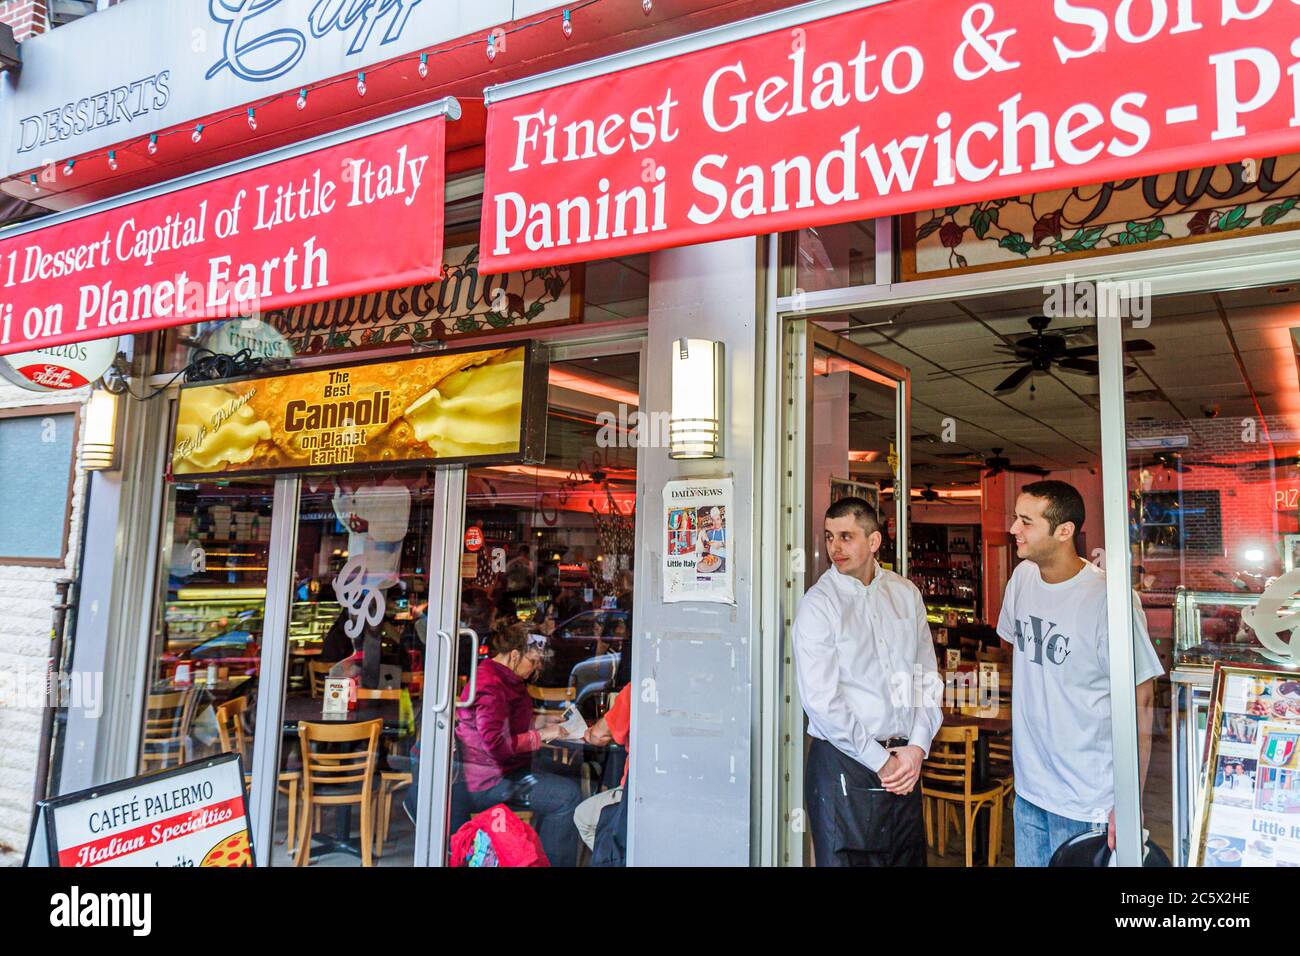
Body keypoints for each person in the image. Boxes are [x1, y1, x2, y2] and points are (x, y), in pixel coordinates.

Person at [997, 480, 1163, 867]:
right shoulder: (1021, 579)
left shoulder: (1109, 600)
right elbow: (1017, 653)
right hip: (1030, 790)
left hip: (1087, 799)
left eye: (1026, 521)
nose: (1013, 529)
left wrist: (1128, 799)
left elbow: (1142, 699)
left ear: (1063, 531)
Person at [792, 496, 942, 867]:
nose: (834, 548)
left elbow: (926, 677)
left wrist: (918, 747)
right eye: (829, 537)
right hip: (845, 763)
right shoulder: (818, 605)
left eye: (846, 537)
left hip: (906, 763)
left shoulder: (905, 594)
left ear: (874, 542)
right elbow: (823, 701)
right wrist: (882, 762)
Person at [455, 622, 583, 866]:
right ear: (514, 655)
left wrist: (539, 721)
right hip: (488, 781)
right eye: (533, 661)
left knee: (568, 776)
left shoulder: (501, 677)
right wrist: (542, 734)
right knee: (568, 796)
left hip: (502, 771)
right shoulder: (491, 685)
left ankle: (537, 853)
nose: (536, 669)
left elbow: (507, 723)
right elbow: (496, 744)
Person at [573, 683, 631, 851]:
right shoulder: (699, 686)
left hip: (636, 793)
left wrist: (589, 733)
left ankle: (621, 860)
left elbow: (598, 735)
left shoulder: (641, 685)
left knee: (583, 817)